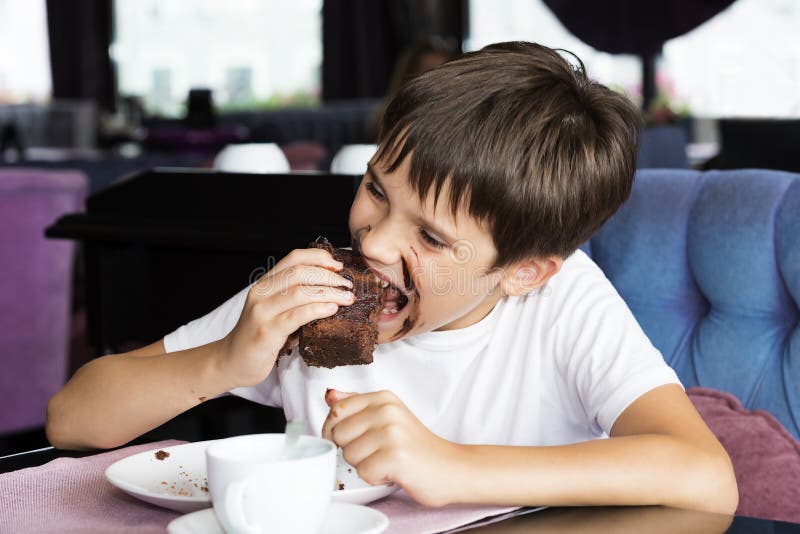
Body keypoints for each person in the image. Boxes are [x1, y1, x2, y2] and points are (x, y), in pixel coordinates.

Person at [46, 42, 738, 514]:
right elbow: (73, 419)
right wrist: (226, 357)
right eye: (376, 189)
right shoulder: (312, 297)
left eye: (431, 237)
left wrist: (450, 466)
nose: (373, 241)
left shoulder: (561, 304)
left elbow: (702, 475)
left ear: (523, 271)